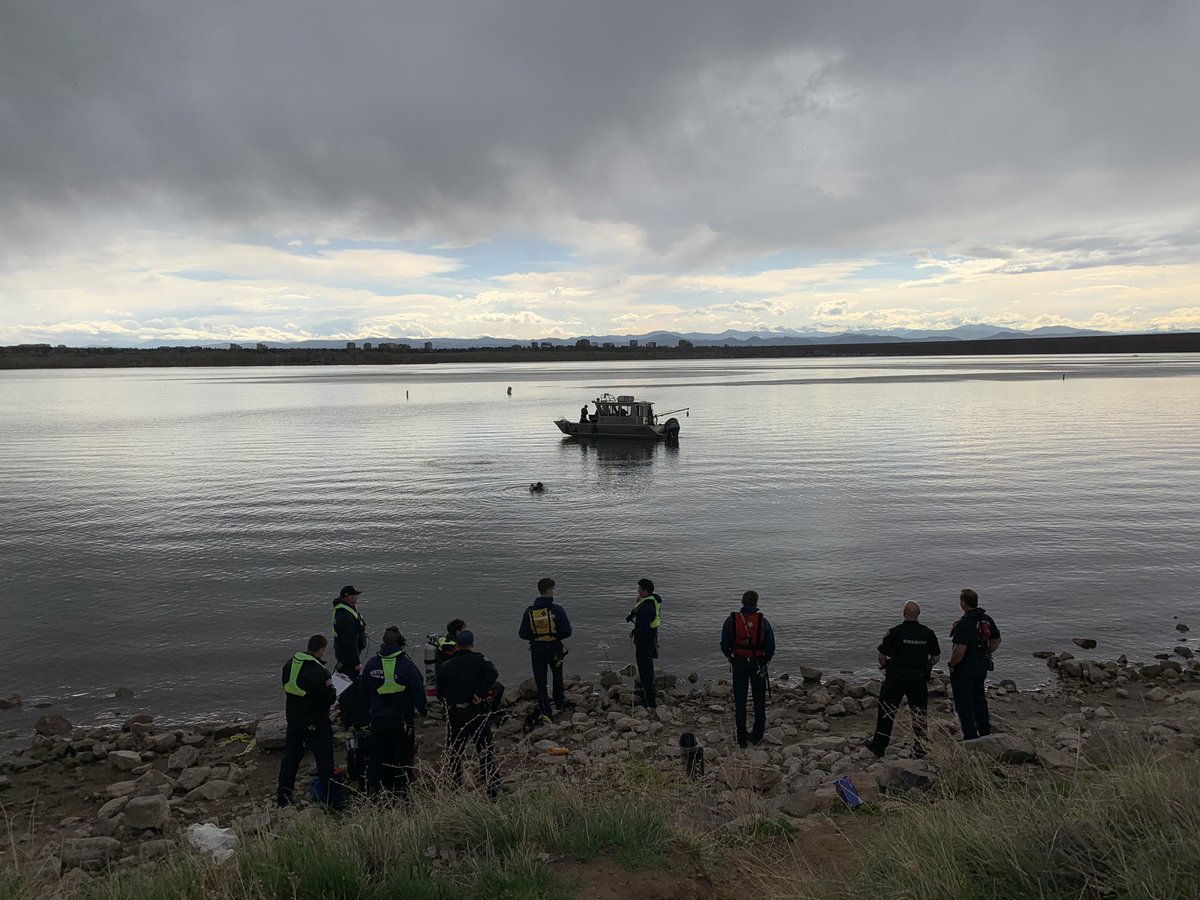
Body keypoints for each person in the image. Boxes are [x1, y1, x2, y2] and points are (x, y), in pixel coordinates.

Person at [865, 602, 941, 759]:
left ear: (903, 612)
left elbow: (881, 656)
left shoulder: (894, 633)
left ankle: (879, 745)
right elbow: (936, 658)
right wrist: (926, 667)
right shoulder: (928, 633)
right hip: (918, 678)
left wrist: (884, 665)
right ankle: (920, 748)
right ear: (918, 614)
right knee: (919, 713)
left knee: (887, 711)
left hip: (896, 677)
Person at [360, 627, 426, 797]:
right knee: (402, 758)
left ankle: (372, 793)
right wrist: (423, 710)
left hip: (378, 719)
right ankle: (401, 794)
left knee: (376, 757)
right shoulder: (407, 665)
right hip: (401, 720)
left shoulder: (371, 664)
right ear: (400, 643)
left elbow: (362, 692)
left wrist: (363, 716)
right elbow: (418, 689)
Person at [277, 634, 338, 807]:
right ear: (321, 650)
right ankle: (331, 801)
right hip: (317, 722)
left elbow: (287, 687)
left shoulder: (290, 665)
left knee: (290, 760)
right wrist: (334, 690)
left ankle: (283, 798)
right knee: (325, 761)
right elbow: (329, 698)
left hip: (295, 720)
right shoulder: (320, 671)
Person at [437, 630, 500, 794]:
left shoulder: (446, 666)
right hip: (476, 711)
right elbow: (493, 673)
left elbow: (439, 693)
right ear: (472, 644)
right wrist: (479, 693)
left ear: (456, 646)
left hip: (456, 713)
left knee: (455, 751)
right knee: (485, 749)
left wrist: (451, 699)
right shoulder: (480, 661)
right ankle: (491, 786)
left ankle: (454, 786)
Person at [720, 590, 775, 748]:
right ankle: (757, 737)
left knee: (740, 702)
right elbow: (770, 646)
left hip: (739, 663)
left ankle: (742, 739)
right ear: (756, 603)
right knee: (759, 701)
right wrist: (764, 661)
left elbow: (724, 643)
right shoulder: (763, 621)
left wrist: (730, 657)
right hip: (758, 663)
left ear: (742, 602)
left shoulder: (731, 620)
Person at [948, 588, 1001, 741]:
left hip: (964, 668)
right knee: (979, 699)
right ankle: (985, 731)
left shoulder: (964, 624)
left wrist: (952, 663)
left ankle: (970, 736)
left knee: (964, 703)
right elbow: (996, 639)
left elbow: (959, 650)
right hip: (981, 666)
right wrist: (987, 652)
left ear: (963, 603)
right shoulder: (986, 619)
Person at [518, 577, 573, 722]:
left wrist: (535, 636)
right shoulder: (557, 610)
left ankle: (545, 710)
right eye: (553, 589)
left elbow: (522, 633)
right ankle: (559, 703)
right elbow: (567, 631)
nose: (554, 592)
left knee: (541, 681)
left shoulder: (529, 611)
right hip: (555, 648)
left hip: (537, 649)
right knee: (557, 676)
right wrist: (554, 635)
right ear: (549, 590)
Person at [626, 578, 662, 709]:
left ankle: (649, 701)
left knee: (645, 669)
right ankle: (647, 692)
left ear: (645, 591)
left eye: (639, 589)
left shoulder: (647, 607)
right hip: (650, 640)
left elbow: (644, 627)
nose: (638, 591)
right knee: (647, 667)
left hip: (645, 642)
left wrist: (635, 632)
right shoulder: (652, 601)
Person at [332, 585, 367, 678]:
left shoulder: (347, 609)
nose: (356, 598)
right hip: (348, 658)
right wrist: (356, 663)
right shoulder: (345, 616)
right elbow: (349, 641)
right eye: (355, 595)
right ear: (349, 597)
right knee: (350, 680)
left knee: (343, 676)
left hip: (344, 655)